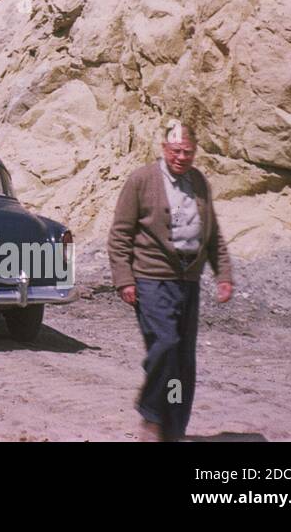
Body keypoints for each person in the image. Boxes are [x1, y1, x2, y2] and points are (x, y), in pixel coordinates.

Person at [108, 118, 234, 441]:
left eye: (188, 152)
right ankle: (151, 414)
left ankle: (173, 430)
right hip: (151, 279)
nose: (182, 157)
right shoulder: (141, 180)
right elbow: (120, 234)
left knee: (181, 362)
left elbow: (213, 234)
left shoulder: (199, 183)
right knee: (166, 345)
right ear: (164, 149)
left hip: (188, 282)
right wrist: (124, 279)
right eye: (176, 151)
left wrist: (223, 275)